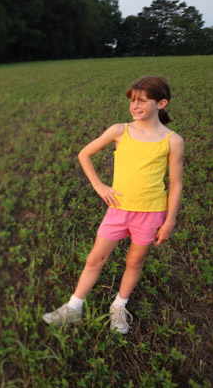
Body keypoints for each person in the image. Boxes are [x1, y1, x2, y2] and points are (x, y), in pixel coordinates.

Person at [42, 76, 184, 334]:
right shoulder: (120, 130)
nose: (135, 106)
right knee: (96, 258)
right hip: (118, 210)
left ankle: (119, 305)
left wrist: (170, 220)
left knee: (134, 262)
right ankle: (74, 307)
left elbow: (175, 183)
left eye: (143, 101)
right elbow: (84, 154)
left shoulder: (173, 140)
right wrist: (99, 186)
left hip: (151, 213)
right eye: (132, 101)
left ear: (161, 103)